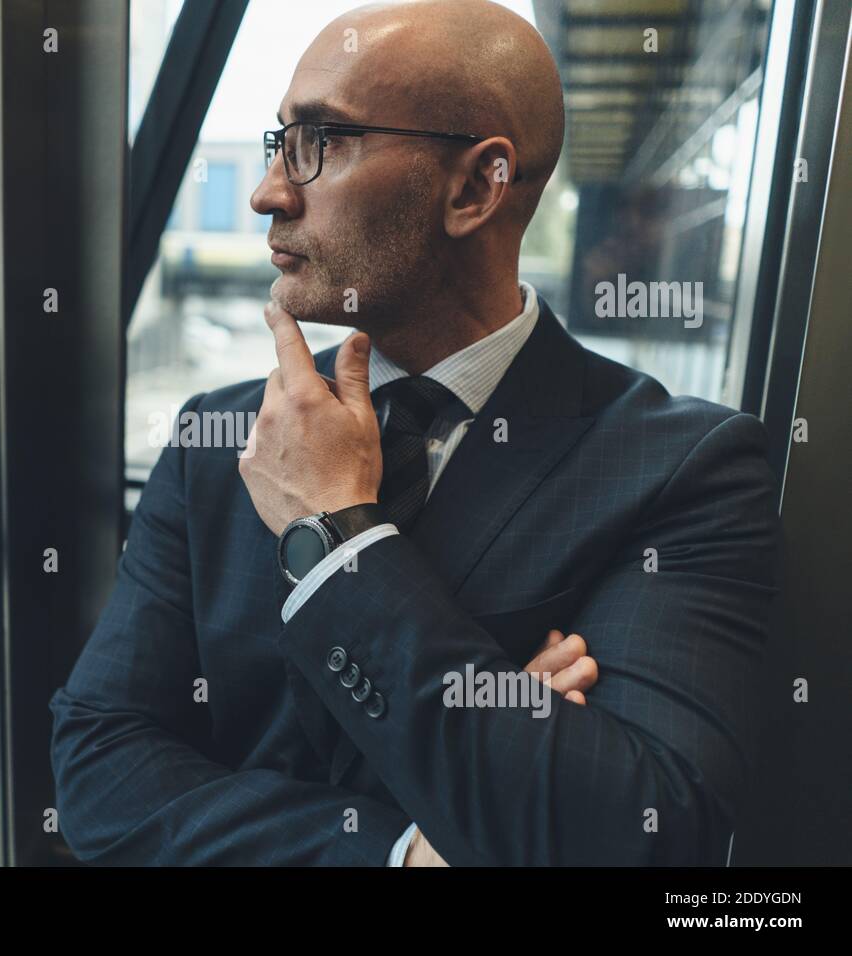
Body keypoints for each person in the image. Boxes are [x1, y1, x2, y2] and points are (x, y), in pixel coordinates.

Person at [49, 0, 780, 865]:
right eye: (280, 139)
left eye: (322, 140)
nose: (269, 190)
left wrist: (337, 538)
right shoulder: (219, 434)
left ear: (476, 187)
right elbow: (97, 766)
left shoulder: (684, 470)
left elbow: (641, 827)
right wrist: (405, 849)